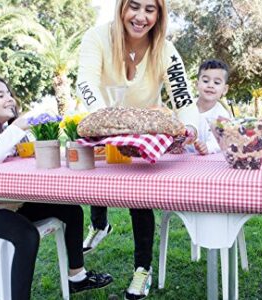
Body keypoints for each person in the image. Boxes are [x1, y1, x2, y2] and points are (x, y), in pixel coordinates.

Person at [76, 0, 199, 299]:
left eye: (150, 9)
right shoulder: (96, 37)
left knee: (139, 200)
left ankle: (142, 270)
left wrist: (190, 128)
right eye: (134, 6)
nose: (141, 17)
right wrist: (107, 121)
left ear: (159, 15)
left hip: (143, 137)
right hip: (104, 127)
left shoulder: (166, 50)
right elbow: (85, 81)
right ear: (121, 8)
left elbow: (182, 95)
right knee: (95, 183)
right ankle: (100, 225)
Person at [0, 77, 113, 300]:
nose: (9, 98)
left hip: (12, 201)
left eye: (8, 93)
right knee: (26, 235)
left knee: (70, 210)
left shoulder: (5, 130)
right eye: (0, 95)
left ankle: (77, 277)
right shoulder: (9, 133)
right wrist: (17, 127)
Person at [191, 59, 231, 155]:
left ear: (225, 89)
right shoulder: (187, 107)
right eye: (205, 81)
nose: (210, 85)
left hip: (209, 162)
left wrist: (208, 147)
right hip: (182, 160)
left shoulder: (222, 115)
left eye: (217, 82)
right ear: (197, 84)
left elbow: (221, 139)